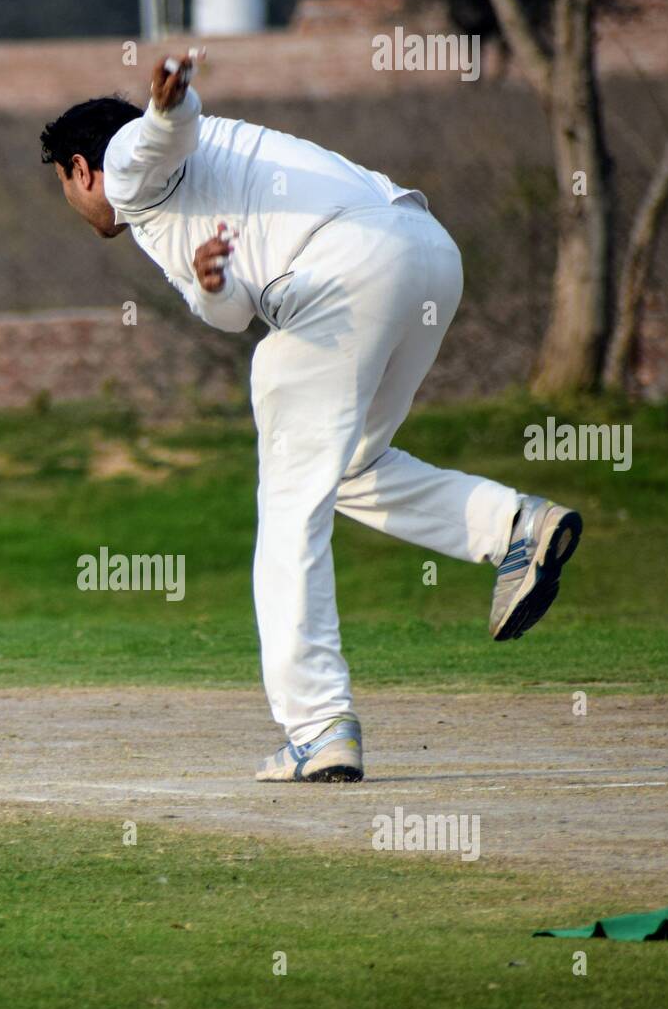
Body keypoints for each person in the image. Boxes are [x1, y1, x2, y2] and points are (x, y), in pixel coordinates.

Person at [40, 55, 582, 783]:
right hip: (424, 254)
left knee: (292, 508)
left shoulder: (133, 166)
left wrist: (169, 107)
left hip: (341, 274)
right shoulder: (178, 199)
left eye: (65, 189)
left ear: (82, 168)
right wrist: (215, 279)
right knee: (350, 466)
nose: (74, 208)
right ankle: (516, 528)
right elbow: (230, 315)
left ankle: (318, 725)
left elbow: (152, 143)